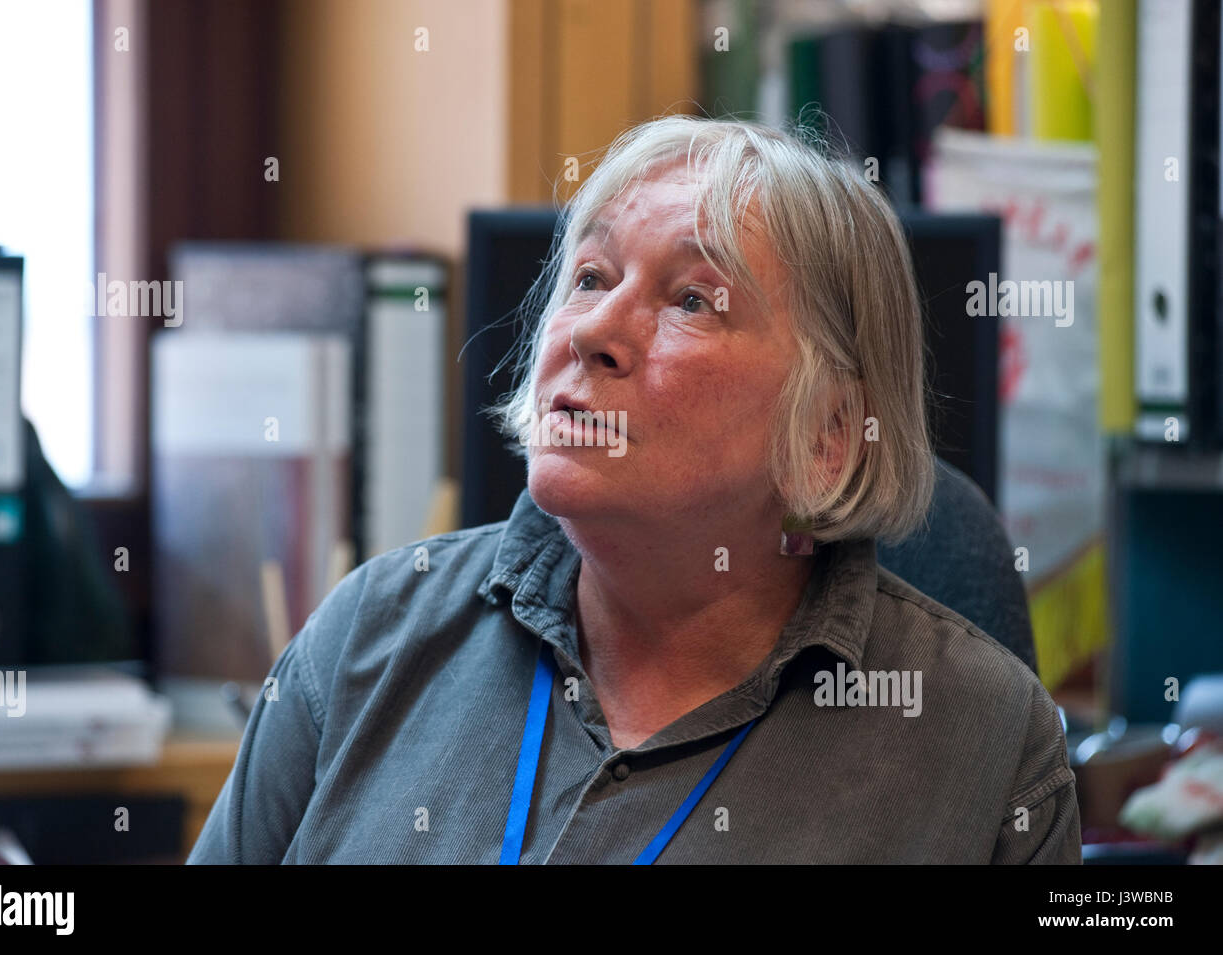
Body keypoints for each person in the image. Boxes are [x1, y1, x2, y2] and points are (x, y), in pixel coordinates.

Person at [187, 115, 1080, 864]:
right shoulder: (369, 637)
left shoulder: (987, 746)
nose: (596, 330)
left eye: (694, 299)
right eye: (590, 277)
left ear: (826, 436)